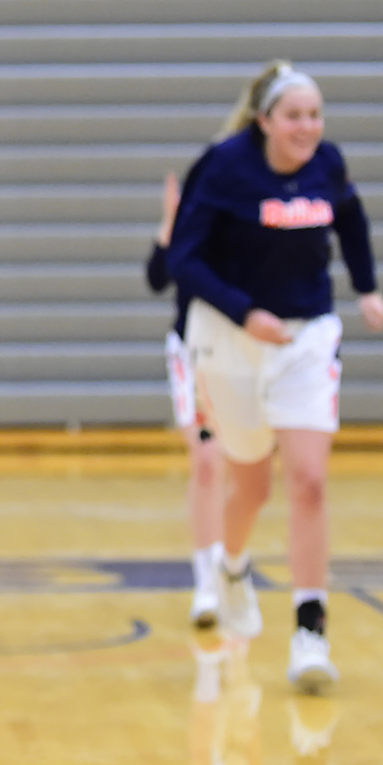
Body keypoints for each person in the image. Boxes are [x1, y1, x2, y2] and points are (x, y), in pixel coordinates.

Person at [168, 61, 383, 692]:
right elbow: (185, 258)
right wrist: (246, 312)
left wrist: (367, 289)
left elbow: (351, 219)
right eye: (294, 115)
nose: (307, 127)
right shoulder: (225, 166)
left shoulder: (328, 164)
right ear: (265, 121)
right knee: (252, 486)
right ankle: (232, 569)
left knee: (310, 481)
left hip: (305, 337)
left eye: (315, 115)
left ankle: (309, 632)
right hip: (229, 338)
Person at [146, 166, 226, 627]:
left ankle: (231, 564)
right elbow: (157, 277)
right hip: (193, 351)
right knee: (207, 461)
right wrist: (170, 221)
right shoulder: (189, 231)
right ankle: (206, 581)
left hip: (242, 352)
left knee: (242, 467)